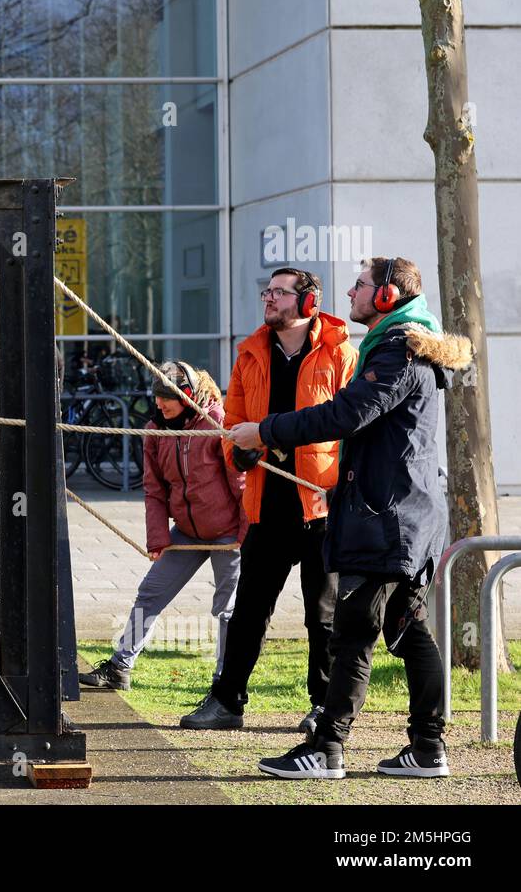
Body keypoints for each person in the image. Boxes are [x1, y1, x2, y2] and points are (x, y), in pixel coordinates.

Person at [237, 257, 469, 779]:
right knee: (406, 631)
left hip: (388, 517)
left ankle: (328, 748)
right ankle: (428, 750)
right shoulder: (404, 348)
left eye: (361, 285)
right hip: (404, 514)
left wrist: (265, 430)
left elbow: (344, 415)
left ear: (387, 296)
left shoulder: (396, 351)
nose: (350, 292)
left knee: (355, 633)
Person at [181, 268, 357, 734]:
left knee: (323, 617)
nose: (269, 298)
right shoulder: (249, 353)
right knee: (250, 611)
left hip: (322, 506)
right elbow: (232, 418)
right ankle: (227, 702)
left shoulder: (341, 354)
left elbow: (354, 425)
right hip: (267, 502)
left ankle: (323, 705)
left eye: (279, 292)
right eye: (267, 291)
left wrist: (344, 485)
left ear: (308, 301)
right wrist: (236, 451)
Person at [80, 361, 245, 690]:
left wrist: (245, 534)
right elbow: (154, 489)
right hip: (185, 531)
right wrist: (157, 538)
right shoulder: (155, 431)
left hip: (227, 533)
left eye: (165, 399)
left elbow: (240, 482)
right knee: (149, 594)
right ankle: (119, 667)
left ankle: (224, 681)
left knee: (227, 609)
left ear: (188, 395)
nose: (159, 404)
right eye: (156, 398)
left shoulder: (216, 423)